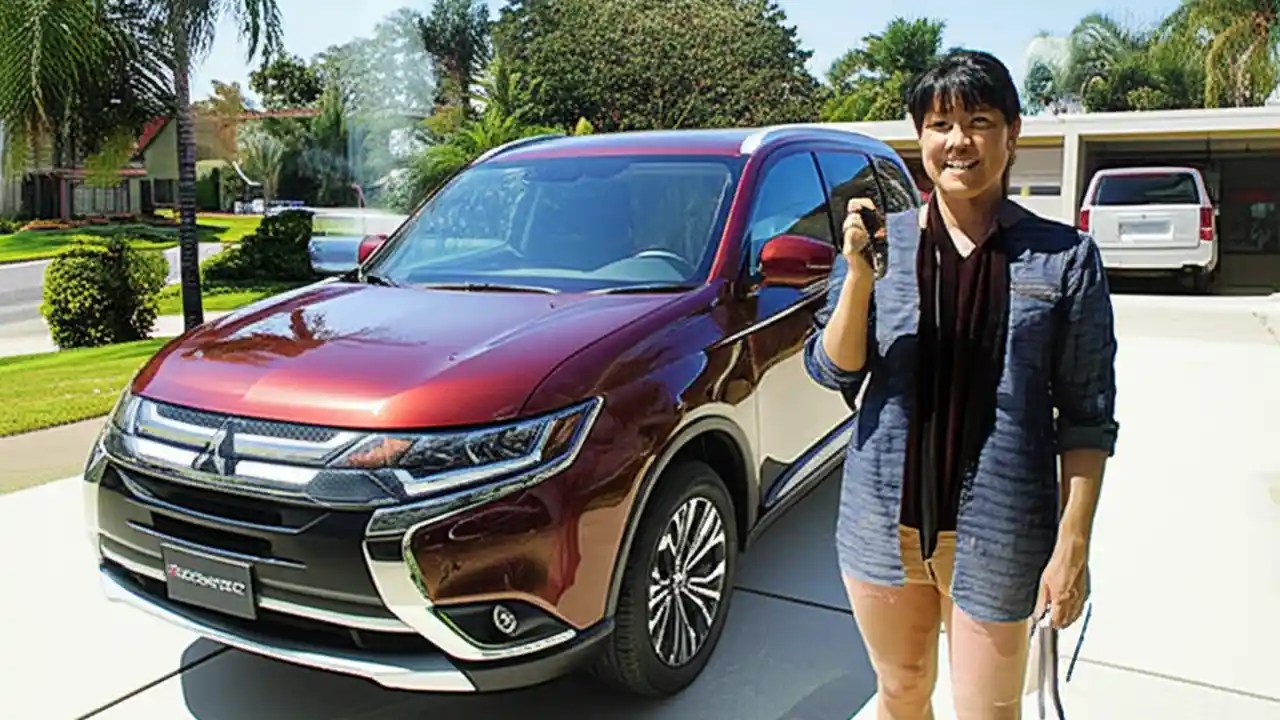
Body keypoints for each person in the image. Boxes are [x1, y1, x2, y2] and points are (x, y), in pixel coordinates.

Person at [804, 49, 1119, 719]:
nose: (959, 141)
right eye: (940, 123)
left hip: (1004, 530)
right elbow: (835, 370)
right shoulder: (877, 245)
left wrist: (1074, 544)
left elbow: (1088, 416)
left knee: (988, 710)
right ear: (920, 137)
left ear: (1013, 132)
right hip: (880, 525)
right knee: (901, 691)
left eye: (979, 120)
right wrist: (859, 277)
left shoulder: (1065, 260)